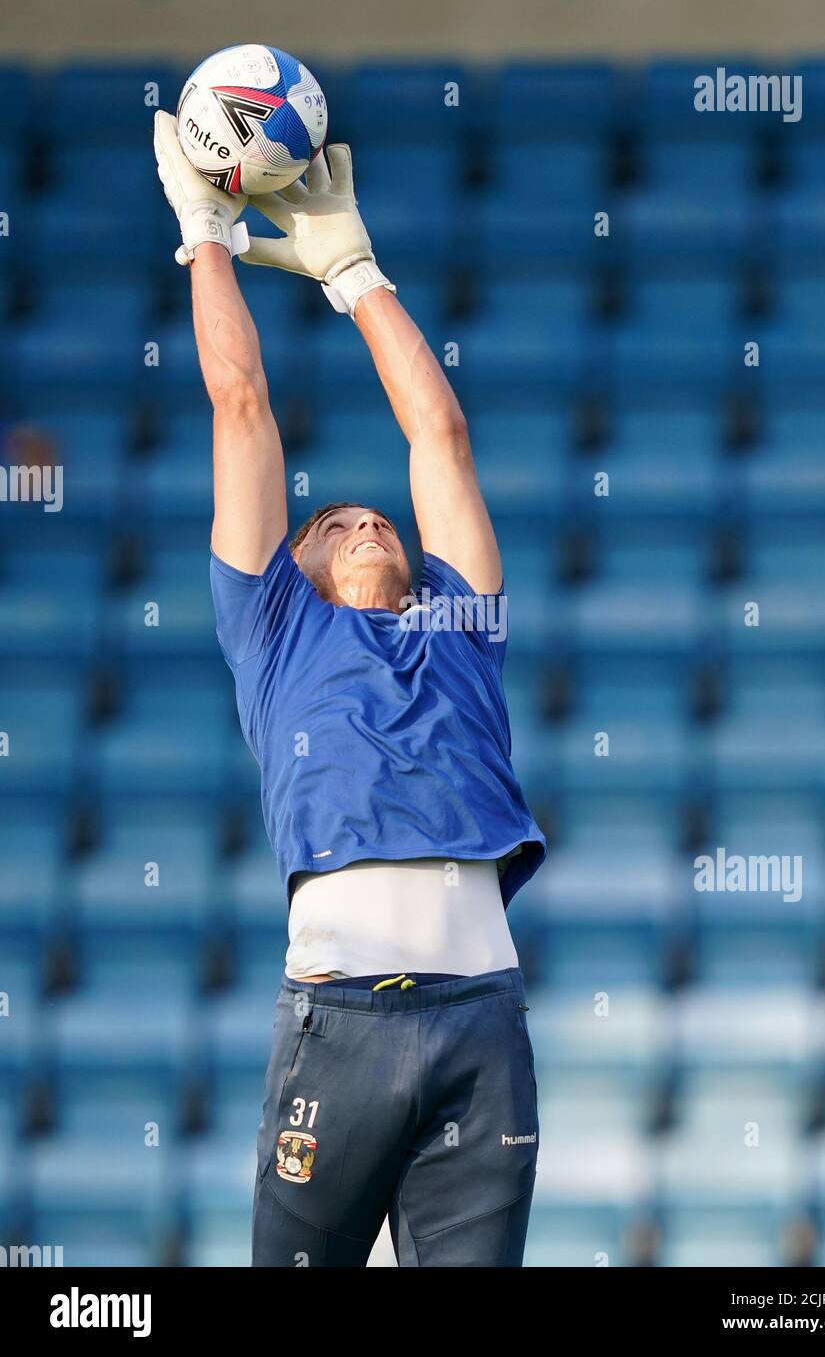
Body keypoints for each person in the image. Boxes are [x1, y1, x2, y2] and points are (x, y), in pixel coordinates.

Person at [153, 112, 546, 1267]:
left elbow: (442, 433)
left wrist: (354, 272)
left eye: (381, 518)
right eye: (334, 522)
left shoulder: (461, 626)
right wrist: (205, 236)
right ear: (299, 563)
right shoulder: (273, 627)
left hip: (483, 1019)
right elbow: (239, 403)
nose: (368, 520)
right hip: (339, 1022)